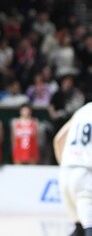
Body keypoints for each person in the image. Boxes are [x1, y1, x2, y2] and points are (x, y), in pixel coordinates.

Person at [54, 101, 92, 236]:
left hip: (65, 172)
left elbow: (58, 140)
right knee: (89, 226)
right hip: (85, 173)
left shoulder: (81, 111)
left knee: (79, 227)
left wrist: (64, 164)